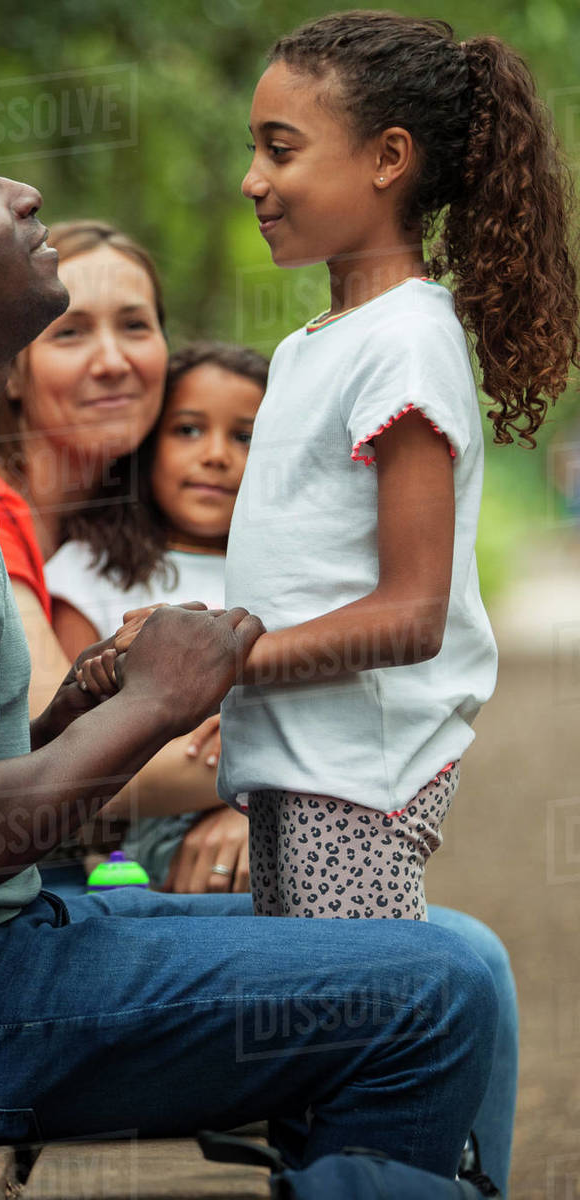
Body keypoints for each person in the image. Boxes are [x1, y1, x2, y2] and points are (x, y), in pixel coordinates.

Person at [0, 125, 509, 1187]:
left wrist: (78, 706)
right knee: (433, 994)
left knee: (457, 957)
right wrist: (152, 702)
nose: (22, 190)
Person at [111, 12, 579, 926]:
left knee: (344, 1032)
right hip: (297, 765)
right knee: (306, 1033)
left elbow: (411, 615)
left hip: (358, 780)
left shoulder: (405, 341)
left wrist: (219, 665)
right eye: (255, 150)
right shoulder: (311, 348)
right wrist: (193, 633)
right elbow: (313, 572)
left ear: (387, 157)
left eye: (281, 151)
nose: (253, 180)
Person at [0, 223, 255, 894]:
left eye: (134, 327)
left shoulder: (126, 529)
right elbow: (66, 768)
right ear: (13, 368)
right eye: (70, 333)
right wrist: (263, 798)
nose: (112, 360)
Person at [45, 341, 267, 891]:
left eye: (245, 437)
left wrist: (243, 810)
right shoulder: (89, 572)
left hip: (261, 823)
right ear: (147, 445)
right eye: (188, 430)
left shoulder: (281, 581)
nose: (216, 454)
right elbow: (61, 722)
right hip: (116, 839)